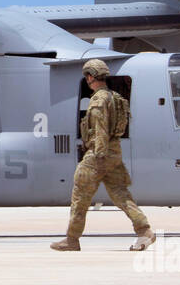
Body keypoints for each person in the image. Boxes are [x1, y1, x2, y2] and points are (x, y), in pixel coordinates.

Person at [52, 59, 155, 252]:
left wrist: (97, 155)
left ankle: (72, 239)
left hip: (99, 153)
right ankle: (144, 230)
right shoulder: (114, 97)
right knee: (121, 194)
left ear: (90, 76)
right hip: (114, 152)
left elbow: (100, 128)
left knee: (80, 195)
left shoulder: (98, 100)